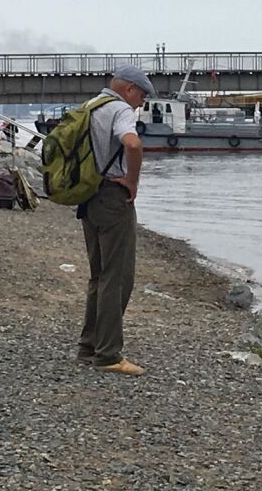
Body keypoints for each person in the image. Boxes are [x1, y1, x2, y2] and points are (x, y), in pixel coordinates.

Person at [76, 65, 153, 377]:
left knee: (98, 275)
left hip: (87, 196)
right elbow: (132, 144)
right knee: (117, 276)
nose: (141, 104)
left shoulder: (90, 107)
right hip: (111, 197)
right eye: (142, 96)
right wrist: (132, 182)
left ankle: (88, 347)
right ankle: (108, 355)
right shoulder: (120, 109)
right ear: (129, 89)